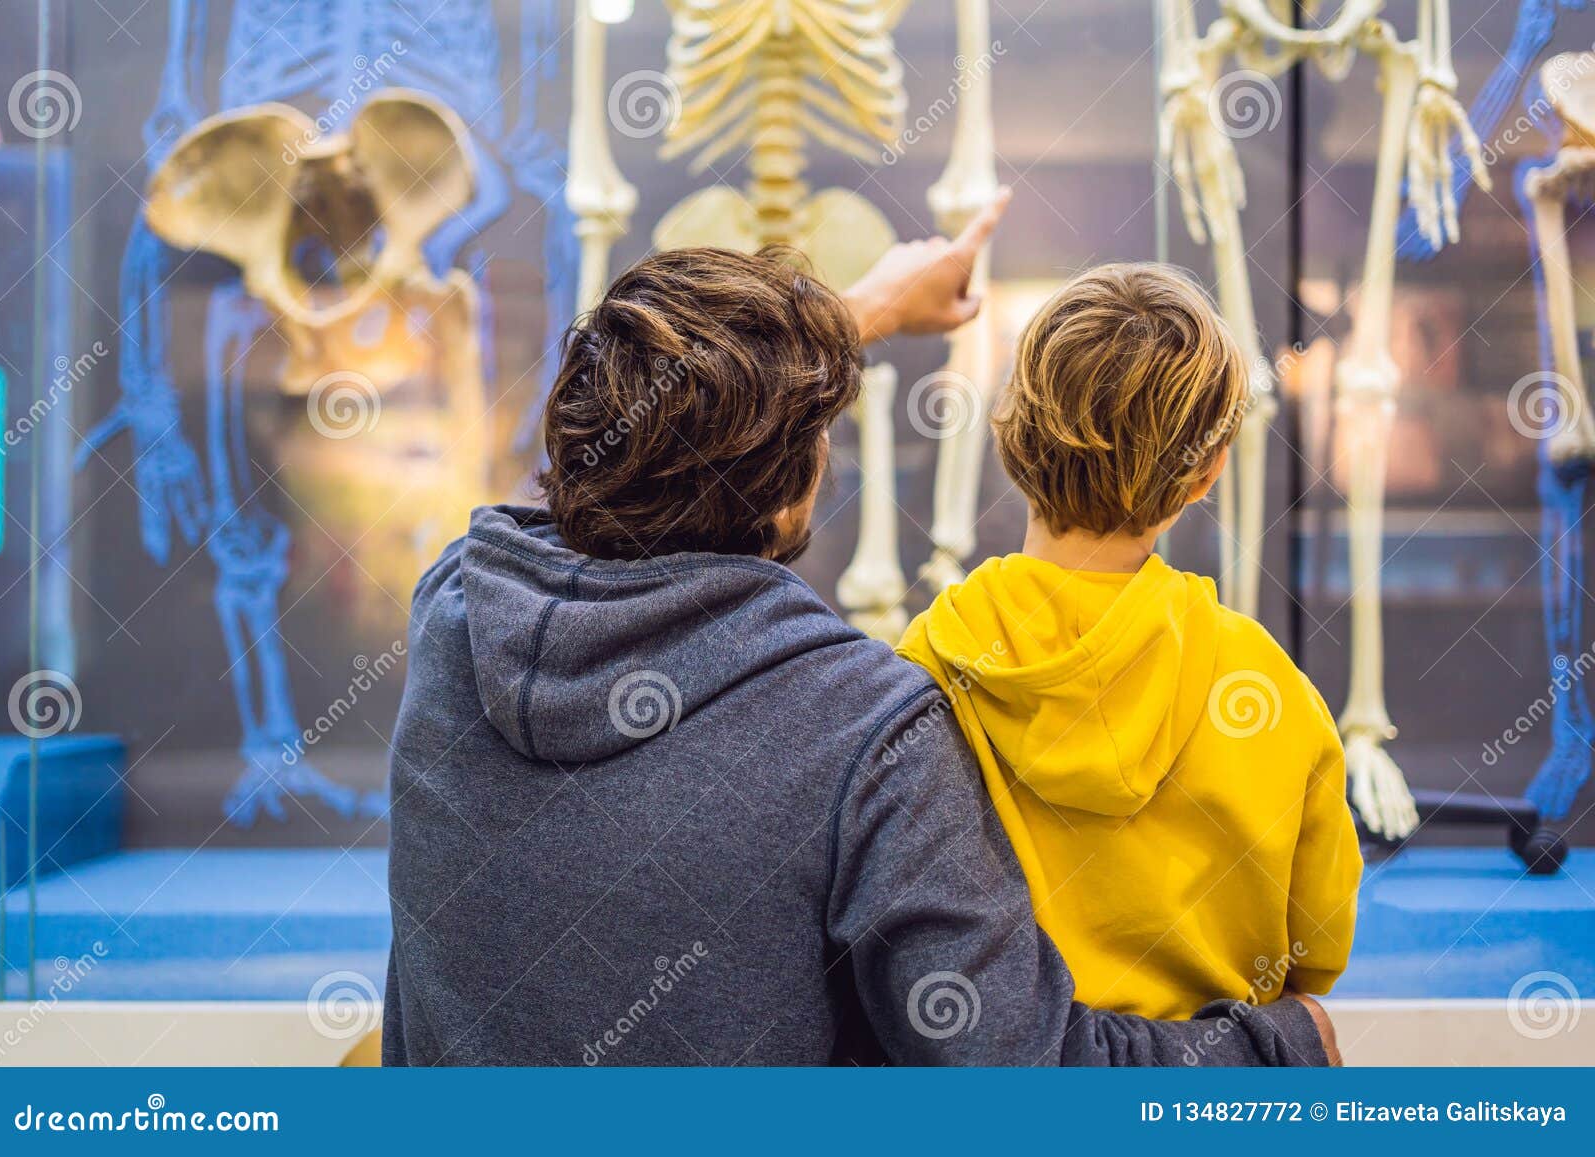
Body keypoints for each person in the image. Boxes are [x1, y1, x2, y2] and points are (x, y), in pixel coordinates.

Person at [382, 203, 1338, 1066]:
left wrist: (869, 308)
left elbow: (655, 419)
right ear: (796, 491)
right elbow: (1022, 1076)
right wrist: (1284, 1044)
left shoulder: (453, 619)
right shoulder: (865, 730)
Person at [897, 263, 1363, 1022]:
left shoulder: (929, 662)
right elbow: (1317, 948)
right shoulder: (1265, 684)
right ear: (1207, 473)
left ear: (1009, 429)